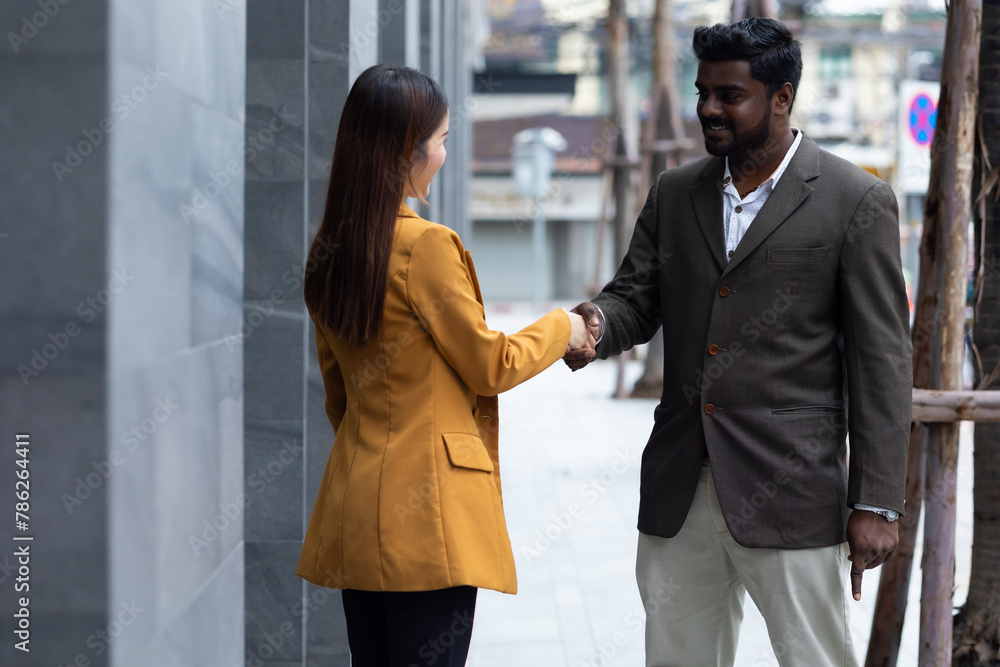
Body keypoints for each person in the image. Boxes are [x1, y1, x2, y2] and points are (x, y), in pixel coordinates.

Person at [564, 18, 912, 667]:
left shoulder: (854, 200)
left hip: (794, 493)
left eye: (729, 95)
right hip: (679, 489)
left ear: (781, 97)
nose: (708, 109)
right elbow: (635, 297)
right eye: (703, 92)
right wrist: (590, 326)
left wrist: (877, 501)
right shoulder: (675, 192)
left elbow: (882, 364)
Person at [294, 64, 595, 667]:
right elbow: (491, 365)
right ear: (406, 150)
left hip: (358, 509)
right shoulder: (425, 247)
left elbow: (338, 397)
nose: (444, 155)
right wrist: (564, 326)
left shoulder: (330, 251)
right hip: (428, 519)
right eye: (441, 140)